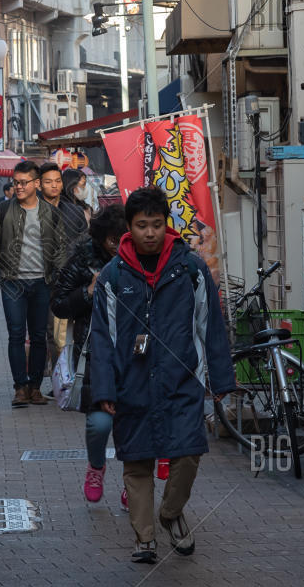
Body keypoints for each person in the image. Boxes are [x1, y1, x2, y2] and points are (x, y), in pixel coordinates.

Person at [87, 188, 236, 562]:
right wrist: (105, 388)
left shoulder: (190, 268)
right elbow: (102, 338)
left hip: (181, 379)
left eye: (156, 225)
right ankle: (144, 538)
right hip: (131, 382)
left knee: (189, 453)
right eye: (141, 226)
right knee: (137, 462)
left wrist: (220, 380)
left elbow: (210, 326)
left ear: (166, 225)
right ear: (129, 227)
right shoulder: (113, 275)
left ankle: (171, 514)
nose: (149, 233)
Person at [51, 205, 128, 505]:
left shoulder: (142, 258)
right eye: (111, 240)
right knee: (99, 424)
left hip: (136, 353)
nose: (118, 245)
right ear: (100, 238)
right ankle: (96, 466)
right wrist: (87, 292)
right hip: (95, 352)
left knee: (129, 423)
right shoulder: (84, 256)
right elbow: (58, 303)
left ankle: (132, 479)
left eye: (122, 238)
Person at [0, 159, 68, 408]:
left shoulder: (50, 213)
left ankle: (36, 387)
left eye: (23, 183)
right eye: (15, 183)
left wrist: (61, 278)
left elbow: (60, 248)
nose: (18, 187)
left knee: (40, 336)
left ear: (36, 184)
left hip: (43, 282)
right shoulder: (2, 211)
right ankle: (20, 387)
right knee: (16, 335)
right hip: (12, 283)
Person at [38, 161, 86, 378]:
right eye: (48, 182)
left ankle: (74, 375)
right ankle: (61, 378)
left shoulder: (75, 212)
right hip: (45, 279)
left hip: (74, 278)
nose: (54, 185)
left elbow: (85, 244)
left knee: (75, 330)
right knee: (52, 332)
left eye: (57, 181)